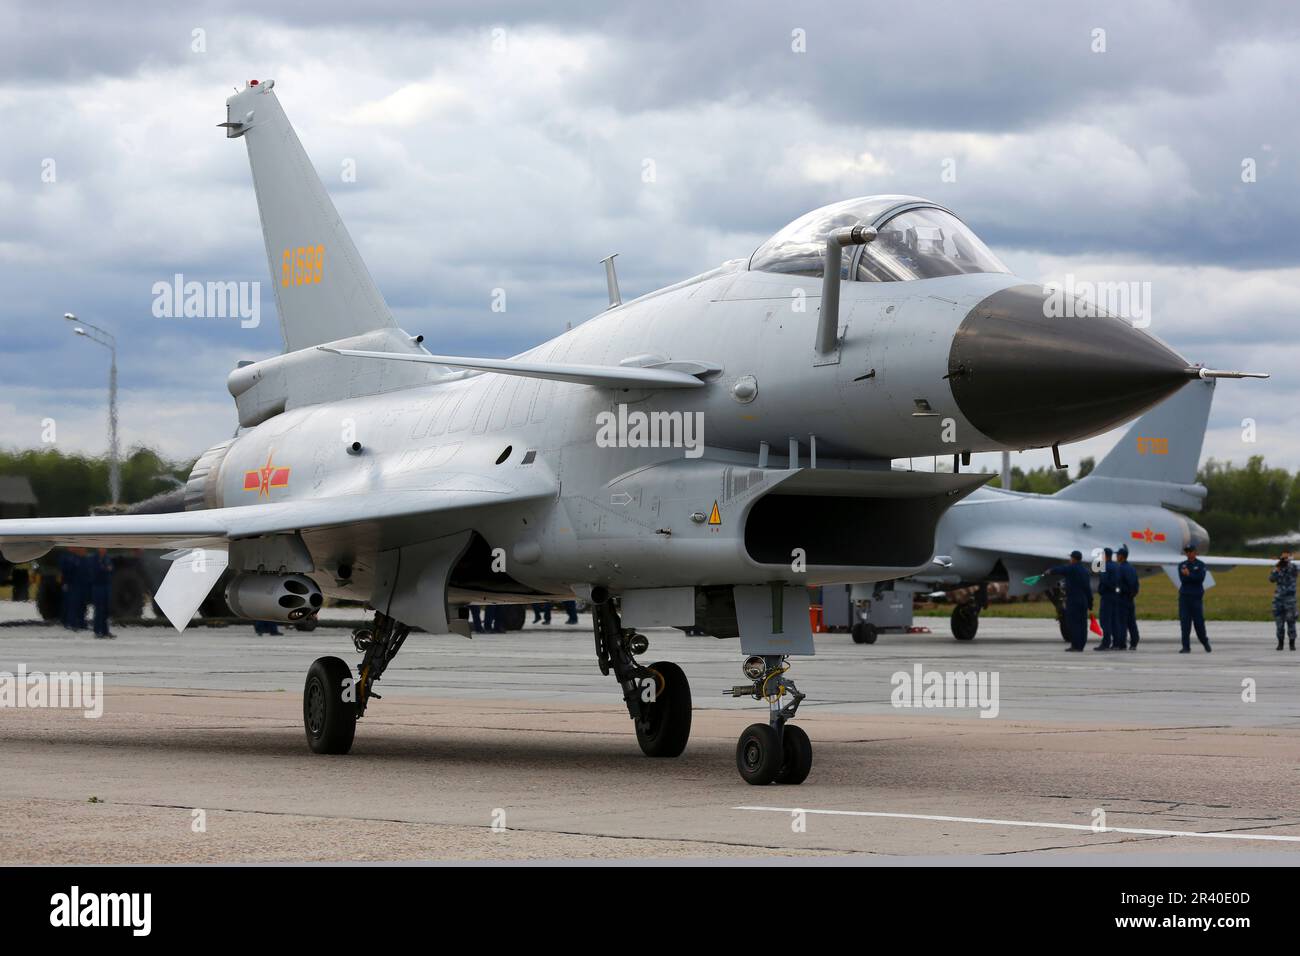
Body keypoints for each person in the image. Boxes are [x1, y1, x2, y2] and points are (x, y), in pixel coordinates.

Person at [1045, 550, 1092, 651]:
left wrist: (1050, 571)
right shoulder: (1085, 571)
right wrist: (1090, 602)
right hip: (1083, 600)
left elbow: (1060, 569)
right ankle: (1081, 646)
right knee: (1082, 624)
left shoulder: (1071, 568)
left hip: (1073, 600)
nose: (1070, 559)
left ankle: (1075, 645)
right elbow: (1088, 589)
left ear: (1074, 559)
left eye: (1071, 558)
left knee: (1073, 623)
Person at [1178, 544, 1210, 653]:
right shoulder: (1182, 565)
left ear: (1195, 552)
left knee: (1199, 623)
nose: (1188, 553)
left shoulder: (1201, 565)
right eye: (1187, 551)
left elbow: (1200, 579)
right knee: (1185, 623)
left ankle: (1205, 642)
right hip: (1184, 597)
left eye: (1190, 551)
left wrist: (1189, 574)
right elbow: (1183, 579)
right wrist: (1191, 576)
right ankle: (1186, 647)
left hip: (1196, 597)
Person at [1269, 549, 1297, 651]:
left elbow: (1294, 571)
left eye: (1286, 557)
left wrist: (1288, 561)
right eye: (1283, 557)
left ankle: (1292, 643)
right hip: (1278, 600)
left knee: (1291, 621)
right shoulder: (1278, 568)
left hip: (1290, 600)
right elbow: (1271, 579)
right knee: (1279, 623)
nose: (1284, 559)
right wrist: (1277, 568)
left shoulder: (1293, 568)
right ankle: (1280, 643)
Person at [1115, 545, 1140, 650]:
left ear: (1121, 556)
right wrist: (1133, 593)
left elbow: (1119, 584)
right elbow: (1136, 583)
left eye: (1117, 555)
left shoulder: (1120, 569)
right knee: (1131, 622)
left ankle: (1122, 644)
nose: (1116, 557)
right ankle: (1134, 642)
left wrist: (1117, 592)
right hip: (1130, 599)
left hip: (1122, 598)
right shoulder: (1132, 568)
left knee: (1122, 622)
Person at [88, 548, 115, 639]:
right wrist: (105, 569)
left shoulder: (107, 558)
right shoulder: (94, 558)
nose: (104, 550)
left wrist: (105, 569)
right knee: (99, 609)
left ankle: (105, 631)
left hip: (106, 586)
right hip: (98, 586)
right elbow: (95, 571)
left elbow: (111, 569)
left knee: (106, 610)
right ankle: (97, 631)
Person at [1095, 547, 1118, 651]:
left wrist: (1102, 589)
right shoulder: (1116, 566)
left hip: (1107, 596)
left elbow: (1104, 580)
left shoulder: (1105, 566)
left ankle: (1106, 643)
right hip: (1115, 596)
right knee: (1114, 619)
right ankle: (1116, 642)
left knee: (1105, 620)